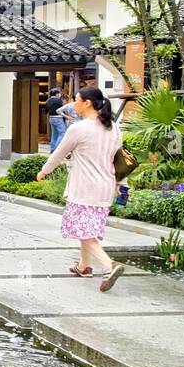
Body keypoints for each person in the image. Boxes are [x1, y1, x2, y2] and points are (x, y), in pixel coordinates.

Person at [36, 86, 126, 291]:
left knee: (83, 230)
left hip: (84, 187)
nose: (73, 103)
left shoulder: (79, 128)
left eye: (76, 100)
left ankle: (108, 265)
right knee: (88, 229)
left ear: (87, 103)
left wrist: (44, 171)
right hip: (106, 187)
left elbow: (59, 153)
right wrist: (122, 185)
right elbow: (118, 159)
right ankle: (84, 267)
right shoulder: (114, 128)